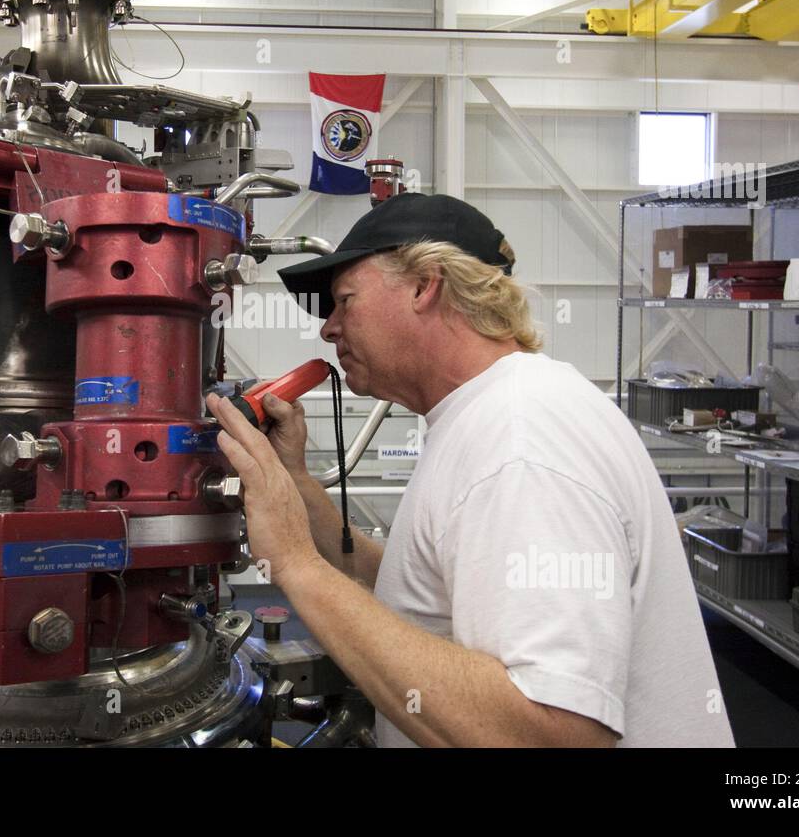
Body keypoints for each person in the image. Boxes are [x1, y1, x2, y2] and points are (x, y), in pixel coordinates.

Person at [205, 193, 734, 747]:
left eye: (344, 301)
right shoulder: (496, 411)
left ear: (423, 284)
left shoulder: (523, 440)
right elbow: (427, 590)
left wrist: (295, 565)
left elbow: (552, 735)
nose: (328, 330)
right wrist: (297, 487)